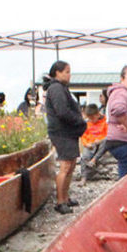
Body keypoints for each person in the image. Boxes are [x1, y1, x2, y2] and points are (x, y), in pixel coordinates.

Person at [43, 60, 87, 214]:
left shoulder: (61, 88)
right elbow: (62, 111)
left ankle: (65, 197)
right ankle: (60, 201)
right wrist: (79, 121)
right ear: (57, 73)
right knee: (65, 166)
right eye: (67, 71)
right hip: (62, 132)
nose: (69, 75)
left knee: (71, 164)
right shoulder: (56, 89)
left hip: (68, 132)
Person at [79, 103, 108, 177]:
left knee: (105, 141)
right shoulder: (87, 124)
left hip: (101, 144)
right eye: (89, 118)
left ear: (98, 115)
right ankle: (84, 177)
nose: (91, 120)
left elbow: (108, 134)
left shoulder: (105, 122)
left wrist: (100, 140)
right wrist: (86, 144)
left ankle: (94, 160)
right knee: (84, 156)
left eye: (92, 118)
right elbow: (83, 136)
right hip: (91, 144)